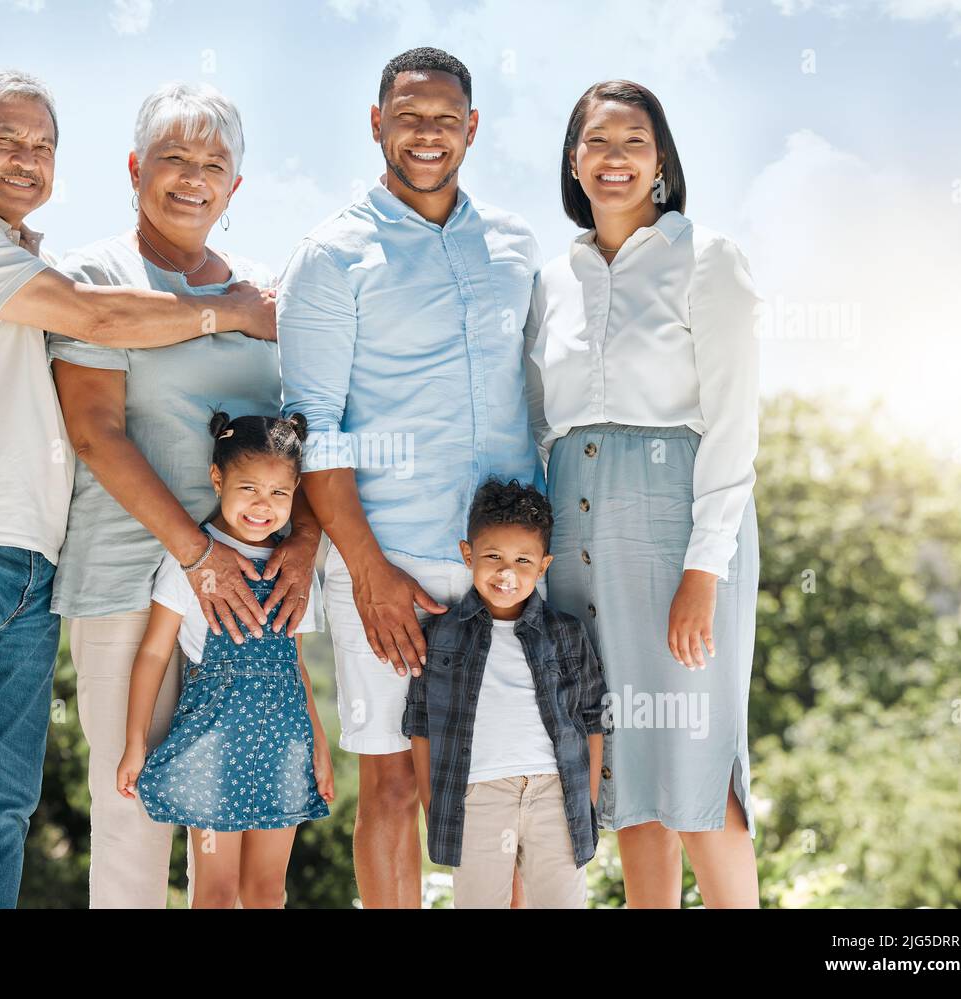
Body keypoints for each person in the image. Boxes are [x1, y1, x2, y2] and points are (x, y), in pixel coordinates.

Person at [0, 68, 274, 909]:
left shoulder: (22, 253)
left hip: (27, 565)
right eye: (6, 140)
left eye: (42, 145)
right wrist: (225, 309)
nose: (27, 159)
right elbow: (99, 330)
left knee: (3, 801)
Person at [44, 81, 323, 908]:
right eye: (173, 158)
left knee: (228, 832)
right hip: (132, 582)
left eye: (214, 163)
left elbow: (309, 439)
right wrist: (197, 553)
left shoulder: (271, 293)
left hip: (254, 599)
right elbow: (96, 431)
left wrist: (303, 540)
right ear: (135, 168)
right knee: (134, 820)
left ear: (236, 187)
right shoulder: (96, 274)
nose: (193, 177)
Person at [277, 47, 544, 908]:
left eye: (443, 118)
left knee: (504, 790)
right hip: (387, 561)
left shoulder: (514, 245)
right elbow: (314, 431)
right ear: (376, 123)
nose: (425, 134)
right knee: (393, 788)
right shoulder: (330, 255)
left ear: (471, 128)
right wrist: (368, 573)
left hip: (502, 567)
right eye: (407, 115)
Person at [524, 79, 762, 908]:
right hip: (575, 531)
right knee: (616, 751)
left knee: (692, 753)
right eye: (598, 141)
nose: (615, 157)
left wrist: (705, 567)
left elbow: (734, 427)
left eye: (634, 140)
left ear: (660, 159)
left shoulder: (708, 257)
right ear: (573, 158)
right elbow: (538, 421)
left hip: (677, 533)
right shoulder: (552, 279)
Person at [116, 412, 334, 908]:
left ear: (296, 491)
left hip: (285, 745)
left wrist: (318, 744)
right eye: (249, 488)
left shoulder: (297, 571)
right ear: (218, 479)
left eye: (280, 493)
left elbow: (294, 665)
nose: (264, 506)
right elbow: (153, 652)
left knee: (266, 892)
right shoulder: (193, 561)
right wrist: (134, 742)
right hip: (211, 748)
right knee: (215, 892)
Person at [404, 479, 608, 908]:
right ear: (468, 554)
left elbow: (592, 719)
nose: (506, 572)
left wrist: (584, 803)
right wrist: (432, 803)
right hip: (477, 795)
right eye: (493, 556)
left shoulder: (566, 633)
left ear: (544, 565)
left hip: (555, 793)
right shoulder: (441, 635)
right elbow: (420, 724)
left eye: (523, 560)